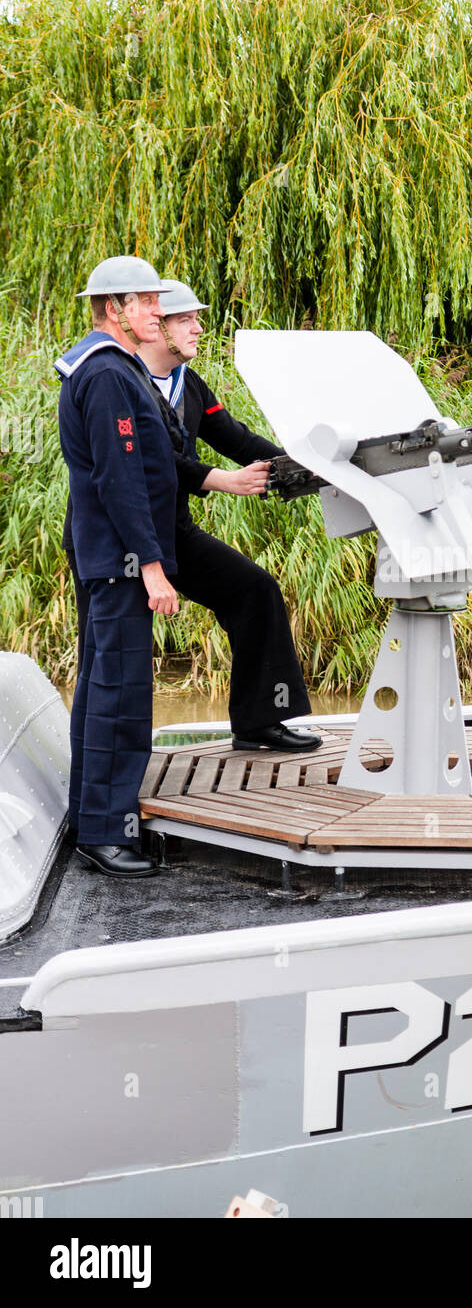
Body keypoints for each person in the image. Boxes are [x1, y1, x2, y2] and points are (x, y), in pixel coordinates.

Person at [63, 279, 322, 754]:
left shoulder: (191, 385)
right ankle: (95, 763)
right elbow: (145, 463)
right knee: (103, 655)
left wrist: (311, 467)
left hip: (171, 530)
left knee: (254, 590)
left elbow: (238, 441)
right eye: (187, 320)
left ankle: (258, 721)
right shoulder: (121, 379)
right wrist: (218, 479)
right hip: (118, 538)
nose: (199, 328)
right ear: (157, 327)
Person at [56, 257, 178, 878]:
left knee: (105, 685)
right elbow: (120, 479)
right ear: (115, 310)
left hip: (109, 558)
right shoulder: (106, 376)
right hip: (121, 562)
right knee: (120, 694)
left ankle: (91, 818)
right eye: (148, 301)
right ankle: (106, 834)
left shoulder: (107, 367)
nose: (159, 310)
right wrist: (150, 567)